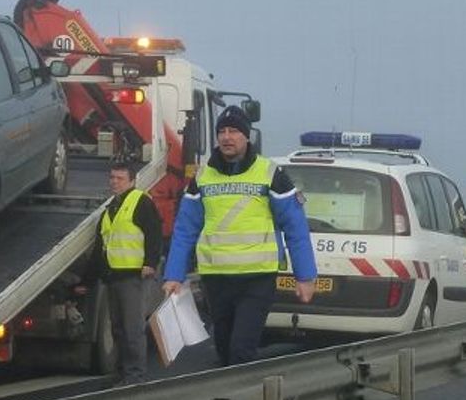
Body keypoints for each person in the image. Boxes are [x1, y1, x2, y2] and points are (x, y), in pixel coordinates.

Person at [163, 105, 317, 366]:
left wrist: (305, 276)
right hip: (216, 280)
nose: (226, 137)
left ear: (247, 136)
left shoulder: (270, 174)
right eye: (222, 131)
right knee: (223, 349)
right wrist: (174, 275)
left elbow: (295, 227)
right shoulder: (202, 177)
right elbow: (184, 230)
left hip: (256, 279)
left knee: (241, 350)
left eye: (234, 131)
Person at [90, 161, 163, 385]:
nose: (114, 182)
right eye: (112, 178)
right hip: (114, 277)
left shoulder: (140, 202)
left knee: (133, 329)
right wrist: (90, 277)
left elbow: (154, 232)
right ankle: (122, 372)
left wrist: (150, 262)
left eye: (119, 178)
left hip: (134, 276)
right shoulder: (111, 207)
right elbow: (101, 246)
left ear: (132, 181)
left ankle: (135, 376)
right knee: (118, 328)